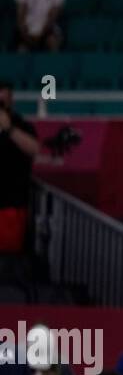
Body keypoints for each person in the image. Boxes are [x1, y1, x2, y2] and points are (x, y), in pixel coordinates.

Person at [0, 80, 41, 254]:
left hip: (11, 205)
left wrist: (9, 129)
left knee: (8, 260)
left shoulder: (21, 125)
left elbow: (34, 148)